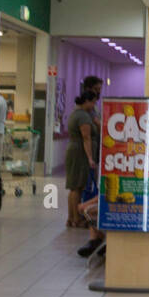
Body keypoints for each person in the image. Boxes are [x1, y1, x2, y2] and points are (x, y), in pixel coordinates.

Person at [64, 92, 99, 228]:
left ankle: (71, 218)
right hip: (80, 153)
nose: (93, 106)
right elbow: (86, 138)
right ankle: (76, 218)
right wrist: (90, 157)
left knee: (74, 187)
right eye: (93, 102)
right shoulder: (83, 116)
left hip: (75, 150)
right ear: (86, 101)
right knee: (77, 186)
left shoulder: (76, 113)